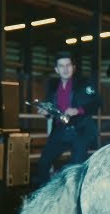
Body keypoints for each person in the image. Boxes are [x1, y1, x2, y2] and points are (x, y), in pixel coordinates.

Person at [34, 52, 99, 186]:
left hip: (81, 129)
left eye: (68, 65)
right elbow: (50, 107)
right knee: (43, 163)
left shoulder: (84, 83)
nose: (65, 69)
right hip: (60, 129)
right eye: (61, 66)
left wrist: (78, 110)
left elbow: (97, 102)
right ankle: (46, 196)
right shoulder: (52, 85)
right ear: (56, 69)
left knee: (76, 166)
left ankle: (75, 195)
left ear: (73, 67)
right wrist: (46, 111)